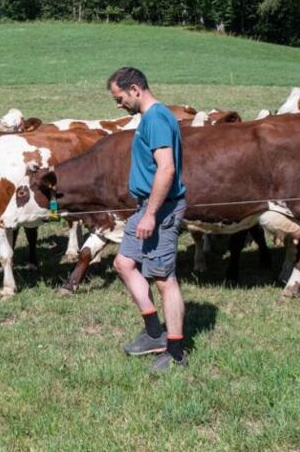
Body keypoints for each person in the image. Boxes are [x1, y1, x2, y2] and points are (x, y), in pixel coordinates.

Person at [106, 67, 188, 372]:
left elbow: (166, 169)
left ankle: (176, 351)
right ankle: (155, 332)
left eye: (120, 97)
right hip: (147, 206)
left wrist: (151, 215)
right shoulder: (153, 117)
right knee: (124, 264)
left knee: (165, 280)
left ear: (136, 89)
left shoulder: (155, 119)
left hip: (161, 209)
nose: (119, 104)